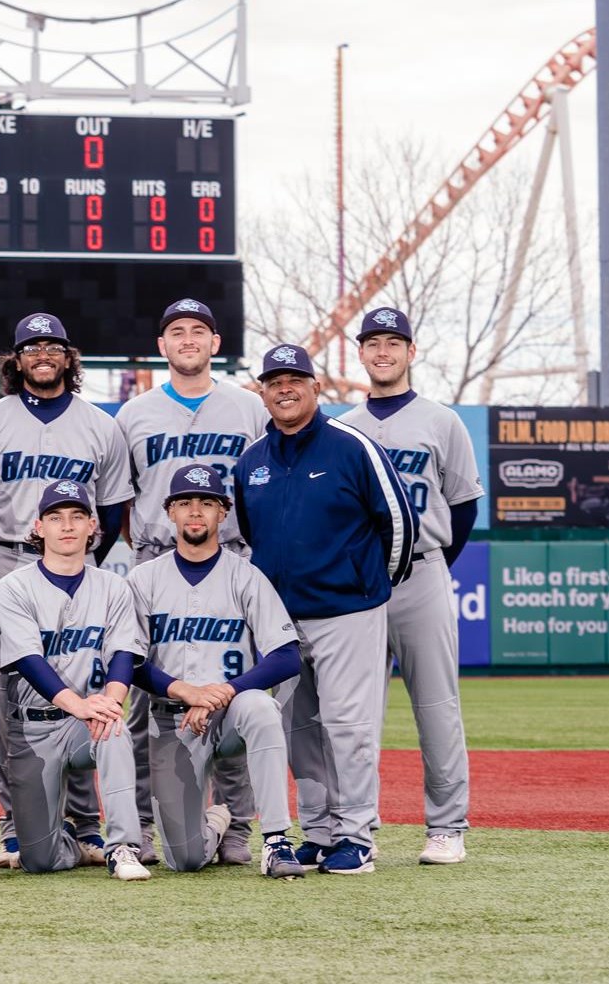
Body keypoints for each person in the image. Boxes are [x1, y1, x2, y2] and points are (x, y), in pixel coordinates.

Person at [0, 312, 132, 868]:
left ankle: (85, 826)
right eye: (31, 346)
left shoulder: (100, 425)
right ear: (17, 358)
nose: (43, 353)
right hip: (9, 558)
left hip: (80, 560)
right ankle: (15, 826)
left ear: (68, 356)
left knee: (84, 681)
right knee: (16, 699)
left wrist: (82, 562)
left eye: (52, 345)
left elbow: (110, 508)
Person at [234, 343, 415, 876]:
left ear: (316, 387)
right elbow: (250, 533)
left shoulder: (352, 446)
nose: (284, 389)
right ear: (262, 392)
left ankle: (357, 836)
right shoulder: (251, 460)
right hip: (282, 623)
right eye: (273, 381)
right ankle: (318, 830)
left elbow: (399, 523)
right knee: (299, 731)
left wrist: (372, 587)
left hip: (346, 611)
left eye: (295, 379)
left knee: (350, 726)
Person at [113, 297, 270, 863]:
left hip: (231, 560)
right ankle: (145, 827)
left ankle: (236, 828)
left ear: (215, 344)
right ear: (162, 346)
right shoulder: (134, 414)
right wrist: (149, 549)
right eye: (176, 331)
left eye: (198, 331)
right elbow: (120, 499)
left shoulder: (247, 409)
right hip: (156, 559)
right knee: (140, 703)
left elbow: (262, 485)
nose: (187, 340)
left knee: (240, 694)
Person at [337, 307, 482, 866]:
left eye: (392, 342)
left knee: (437, 705)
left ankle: (447, 827)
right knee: (356, 713)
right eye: (372, 343)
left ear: (411, 352)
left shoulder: (441, 421)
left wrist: (431, 562)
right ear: (361, 354)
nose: (382, 352)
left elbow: (464, 506)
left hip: (421, 574)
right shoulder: (342, 427)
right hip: (360, 584)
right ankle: (357, 830)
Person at [127, 464, 308, 879]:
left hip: (232, 716)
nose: (195, 511)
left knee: (261, 708)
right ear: (169, 512)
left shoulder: (246, 575)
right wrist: (187, 692)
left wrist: (224, 690)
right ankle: (218, 820)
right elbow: (130, 662)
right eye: (185, 503)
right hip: (173, 718)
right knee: (185, 859)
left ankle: (278, 840)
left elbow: (285, 655)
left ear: (222, 513)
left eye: (206, 503)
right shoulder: (143, 579)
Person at [0, 480, 148, 880]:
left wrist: (110, 703)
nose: (67, 526)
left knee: (115, 729)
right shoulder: (13, 587)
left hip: (89, 724)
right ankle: (63, 838)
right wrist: (81, 706)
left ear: (92, 526)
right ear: (39, 527)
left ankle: (123, 847)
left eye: (77, 517)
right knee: (38, 861)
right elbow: (28, 660)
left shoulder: (114, 586)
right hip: (35, 726)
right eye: (56, 517)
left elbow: (123, 655)